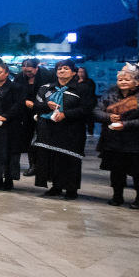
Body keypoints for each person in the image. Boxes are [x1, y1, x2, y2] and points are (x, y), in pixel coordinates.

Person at [93, 66, 139, 209]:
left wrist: (126, 125)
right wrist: (108, 117)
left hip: (138, 142)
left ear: (136, 82)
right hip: (112, 141)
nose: (123, 82)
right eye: (120, 79)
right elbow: (96, 111)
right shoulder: (109, 94)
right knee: (116, 172)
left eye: (127, 79)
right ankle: (117, 196)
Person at [31, 59, 95, 199]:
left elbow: (87, 109)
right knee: (53, 158)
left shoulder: (82, 89)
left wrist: (65, 114)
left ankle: (71, 189)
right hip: (49, 129)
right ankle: (56, 186)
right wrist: (48, 106)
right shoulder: (47, 88)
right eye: (59, 68)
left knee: (69, 159)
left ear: (74, 72)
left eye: (66, 68)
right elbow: (36, 105)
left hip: (71, 131)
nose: (62, 71)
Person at [17, 58, 47, 177]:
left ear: (36, 68)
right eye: (25, 71)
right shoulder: (20, 77)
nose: (27, 73)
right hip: (26, 112)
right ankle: (33, 165)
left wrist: (38, 105)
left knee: (43, 139)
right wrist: (24, 101)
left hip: (43, 109)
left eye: (30, 71)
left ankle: (44, 166)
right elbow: (16, 93)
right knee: (30, 140)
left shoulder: (46, 76)